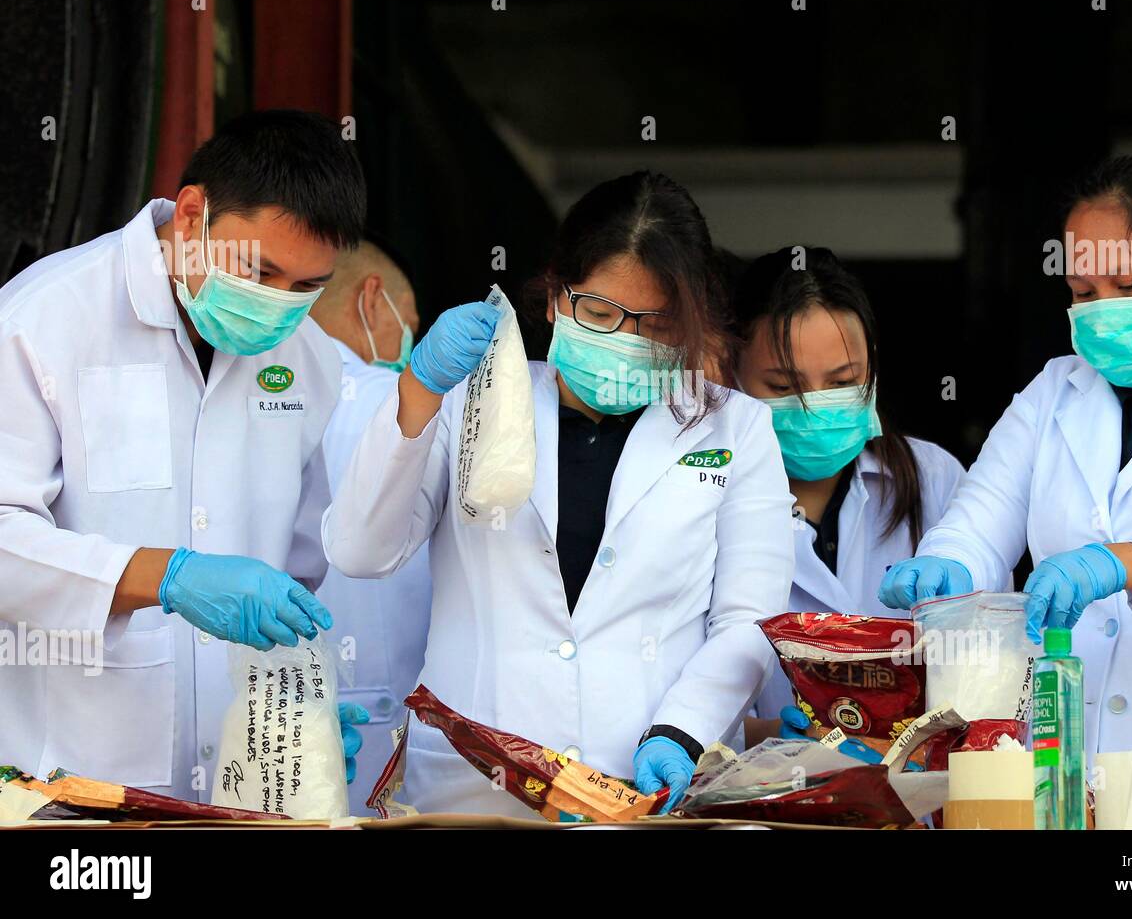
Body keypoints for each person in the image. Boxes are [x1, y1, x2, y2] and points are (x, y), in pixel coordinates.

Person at [323, 171, 794, 815]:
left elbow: (749, 618)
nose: (624, 339)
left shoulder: (737, 427)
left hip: (649, 786)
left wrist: (685, 728)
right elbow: (360, 550)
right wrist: (419, 391)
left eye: (655, 327)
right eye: (599, 313)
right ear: (552, 299)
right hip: (475, 788)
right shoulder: (474, 403)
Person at [880, 151, 1132, 807]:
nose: (1102, 311)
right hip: (1064, 770)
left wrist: (1125, 564)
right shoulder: (1055, 393)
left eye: (1127, 289)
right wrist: (949, 567)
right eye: (1083, 292)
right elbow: (980, 520)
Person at [0, 108, 367, 799]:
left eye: (307, 287)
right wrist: (166, 576)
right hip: (66, 786)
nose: (279, 304)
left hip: (241, 795)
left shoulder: (311, 361)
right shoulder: (42, 320)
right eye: (259, 269)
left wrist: (300, 710)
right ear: (193, 215)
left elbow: (298, 575)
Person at [728, 247, 966, 747]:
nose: (815, 409)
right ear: (732, 376)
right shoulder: (702, 495)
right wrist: (770, 736)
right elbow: (664, 695)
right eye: (783, 386)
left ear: (872, 370)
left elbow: (991, 659)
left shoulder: (933, 480)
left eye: (842, 382)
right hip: (764, 808)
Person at [310, 237, 432, 808]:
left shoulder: (246, 389)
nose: (412, 343)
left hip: (261, 720)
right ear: (372, 299)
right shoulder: (411, 402)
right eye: (408, 323)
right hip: (399, 729)